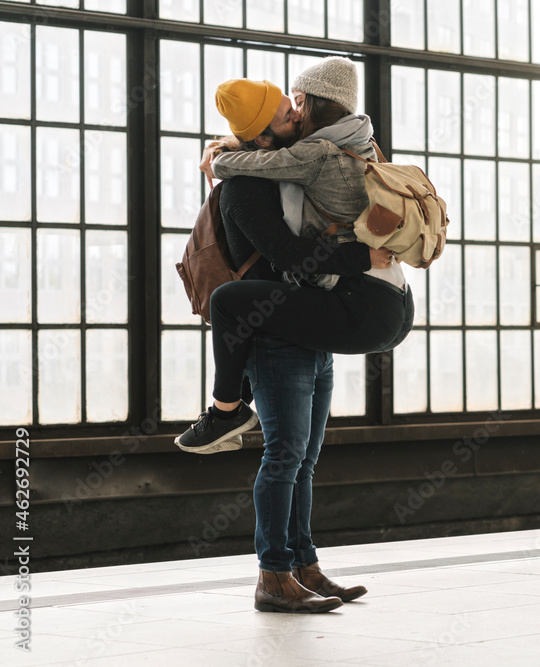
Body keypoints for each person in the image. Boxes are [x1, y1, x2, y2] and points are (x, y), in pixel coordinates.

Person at [175, 61, 412, 613]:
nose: (297, 112)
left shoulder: (281, 167)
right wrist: (360, 255)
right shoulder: (246, 187)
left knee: (304, 458)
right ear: (264, 134)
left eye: (296, 104)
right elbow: (287, 256)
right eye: (288, 111)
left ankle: (304, 564)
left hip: (307, 320)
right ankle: (273, 575)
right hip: (275, 335)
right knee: (284, 455)